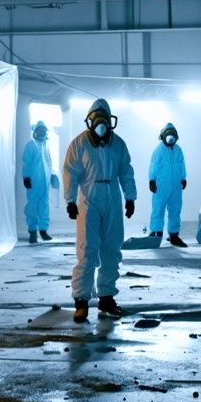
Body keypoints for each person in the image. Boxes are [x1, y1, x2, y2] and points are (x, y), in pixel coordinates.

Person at [63, 99, 136, 323]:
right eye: (97, 119)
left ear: (110, 120)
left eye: (104, 118)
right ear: (90, 121)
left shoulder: (118, 145)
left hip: (112, 198)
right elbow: (70, 172)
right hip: (89, 200)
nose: (100, 124)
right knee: (87, 250)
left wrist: (130, 197)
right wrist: (70, 199)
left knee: (111, 250)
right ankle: (81, 302)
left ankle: (106, 298)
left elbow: (126, 171)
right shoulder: (79, 144)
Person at [147, 123, 188, 247]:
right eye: (168, 134)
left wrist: (183, 177)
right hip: (161, 186)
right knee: (158, 209)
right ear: (162, 136)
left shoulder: (178, 150)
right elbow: (153, 166)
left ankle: (174, 235)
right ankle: (156, 232)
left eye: (173, 135)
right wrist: (152, 180)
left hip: (176, 186)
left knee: (175, 209)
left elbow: (182, 164)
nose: (170, 138)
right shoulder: (158, 151)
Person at [21, 120, 58, 244]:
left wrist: (52, 174)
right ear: (36, 131)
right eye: (40, 130)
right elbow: (26, 162)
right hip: (34, 181)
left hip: (45, 182)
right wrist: (26, 177)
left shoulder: (45, 145)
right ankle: (32, 231)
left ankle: (43, 230)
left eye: (44, 130)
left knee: (44, 206)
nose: (42, 132)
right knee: (32, 205)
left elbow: (48, 162)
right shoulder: (31, 145)